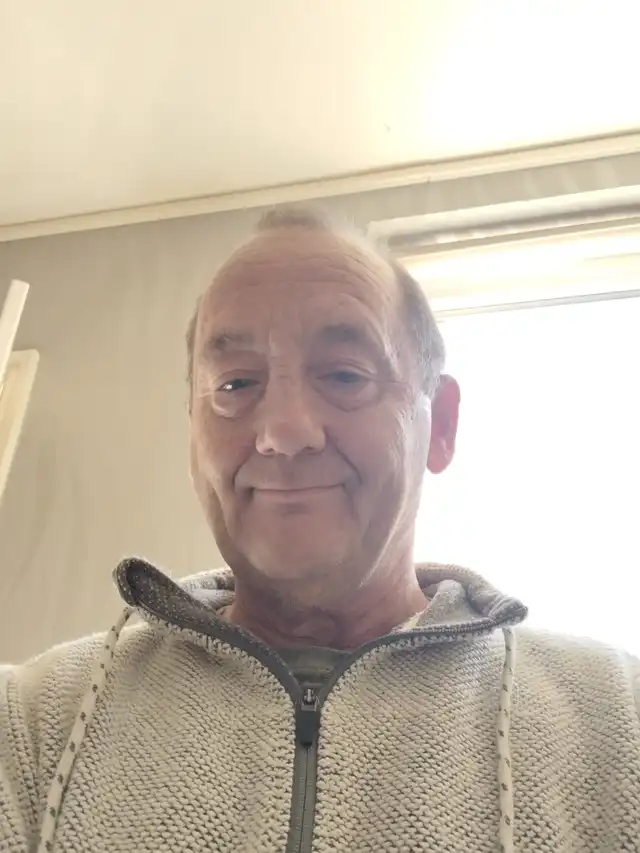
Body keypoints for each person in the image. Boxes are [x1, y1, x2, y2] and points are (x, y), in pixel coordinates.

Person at [1, 206, 638, 853]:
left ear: (441, 424)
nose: (283, 431)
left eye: (344, 375)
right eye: (235, 383)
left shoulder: (618, 722)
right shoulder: (27, 726)